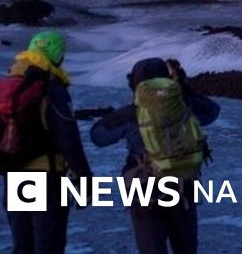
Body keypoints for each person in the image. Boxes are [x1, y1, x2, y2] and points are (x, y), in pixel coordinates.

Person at [90, 58, 220, 254]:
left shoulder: (131, 113)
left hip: (145, 190)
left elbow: (98, 136)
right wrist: (183, 90)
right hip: (183, 185)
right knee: (186, 249)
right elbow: (212, 111)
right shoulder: (185, 105)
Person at [6, 30, 93, 254]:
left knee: (23, 245)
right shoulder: (52, 88)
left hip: (14, 176)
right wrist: (85, 180)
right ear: (57, 55)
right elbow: (68, 139)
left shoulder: (11, 83)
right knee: (48, 246)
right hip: (48, 179)